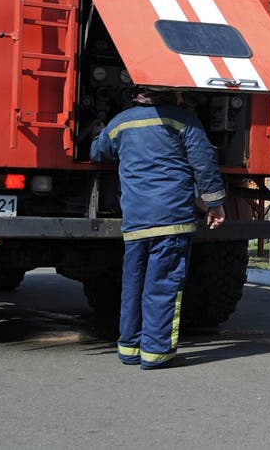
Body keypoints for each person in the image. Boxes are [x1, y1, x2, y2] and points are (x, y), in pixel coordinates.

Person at [90, 87, 226, 369]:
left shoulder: (121, 122)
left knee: (134, 285)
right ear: (172, 94)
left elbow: (98, 152)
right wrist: (214, 202)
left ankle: (129, 348)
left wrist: (99, 130)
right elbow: (203, 163)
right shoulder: (184, 120)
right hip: (171, 219)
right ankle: (156, 352)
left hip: (136, 221)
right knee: (162, 285)